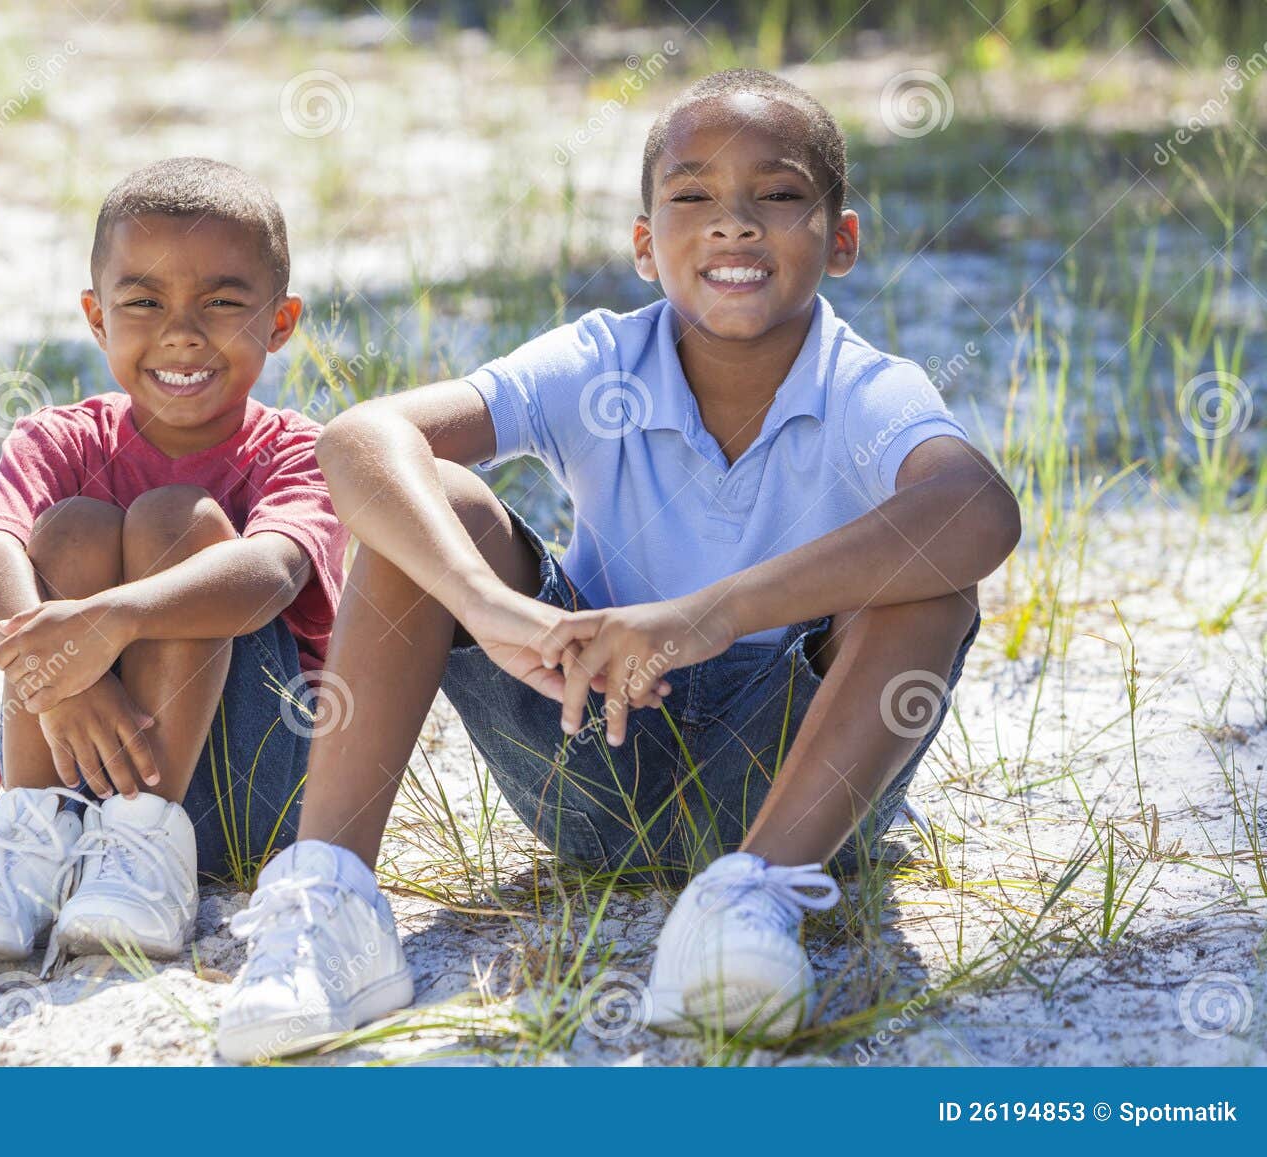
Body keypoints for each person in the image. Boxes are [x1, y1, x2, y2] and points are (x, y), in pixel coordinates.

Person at [215, 70, 1018, 1063]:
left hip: (798, 789)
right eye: (691, 197)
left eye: (775, 194)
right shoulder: (599, 361)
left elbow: (979, 509)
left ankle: (745, 905)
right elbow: (361, 437)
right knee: (435, 510)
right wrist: (490, 607)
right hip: (586, 745)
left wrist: (706, 614)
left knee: (931, 569)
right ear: (645, 245)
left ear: (839, 240)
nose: (731, 225)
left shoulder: (865, 389)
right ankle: (331, 900)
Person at [0, 157, 348, 970]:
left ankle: (148, 849)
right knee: (71, 529)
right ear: (96, 316)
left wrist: (113, 619)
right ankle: (26, 851)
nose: (181, 331)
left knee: (173, 520)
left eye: (222, 303)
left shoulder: (299, 451)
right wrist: (67, 677)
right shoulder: (59, 438)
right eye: (144, 302)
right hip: (69, 759)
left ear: (281, 321)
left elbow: (275, 573)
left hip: (243, 786)